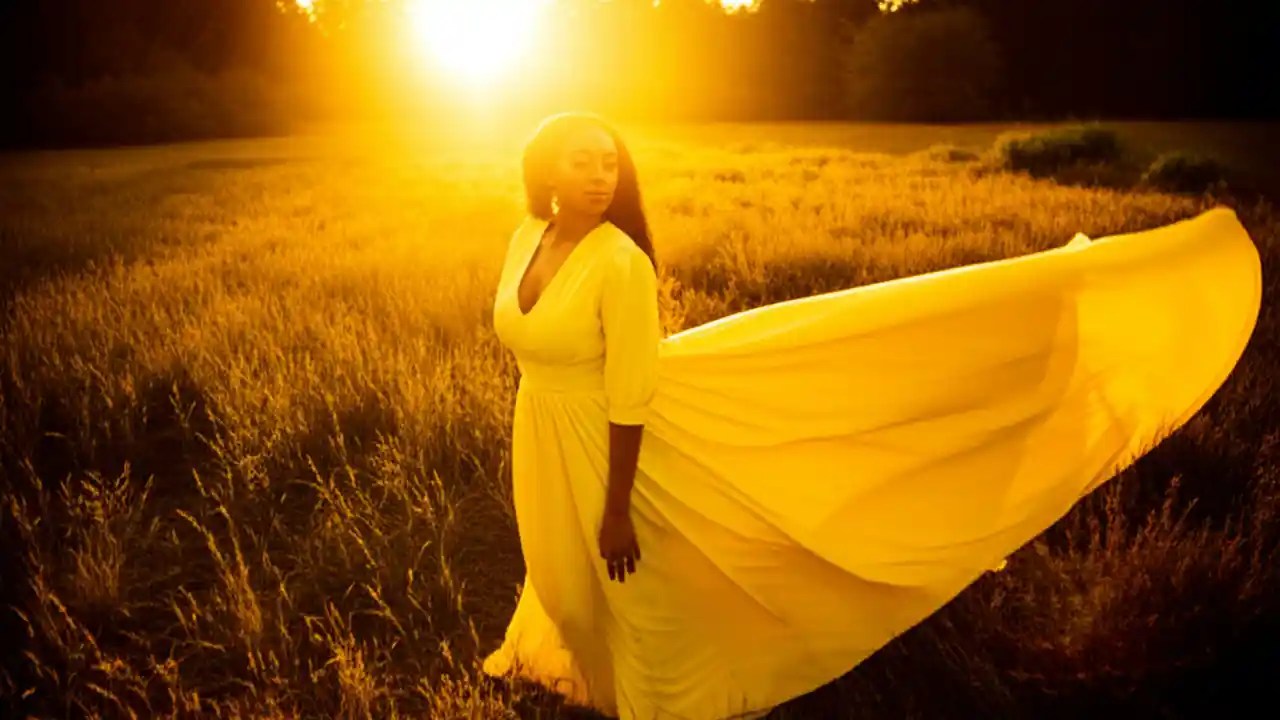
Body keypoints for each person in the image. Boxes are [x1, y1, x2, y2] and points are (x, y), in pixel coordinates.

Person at [482, 112, 1263, 719]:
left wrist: (617, 506)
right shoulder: (528, 237)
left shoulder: (620, 261)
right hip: (542, 429)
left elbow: (627, 394)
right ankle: (595, 673)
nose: (598, 174)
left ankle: (667, 701)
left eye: (608, 160)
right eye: (580, 160)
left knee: (636, 583)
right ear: (544, 169)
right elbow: (531, 340)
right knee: (562, 572)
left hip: (609, 439)